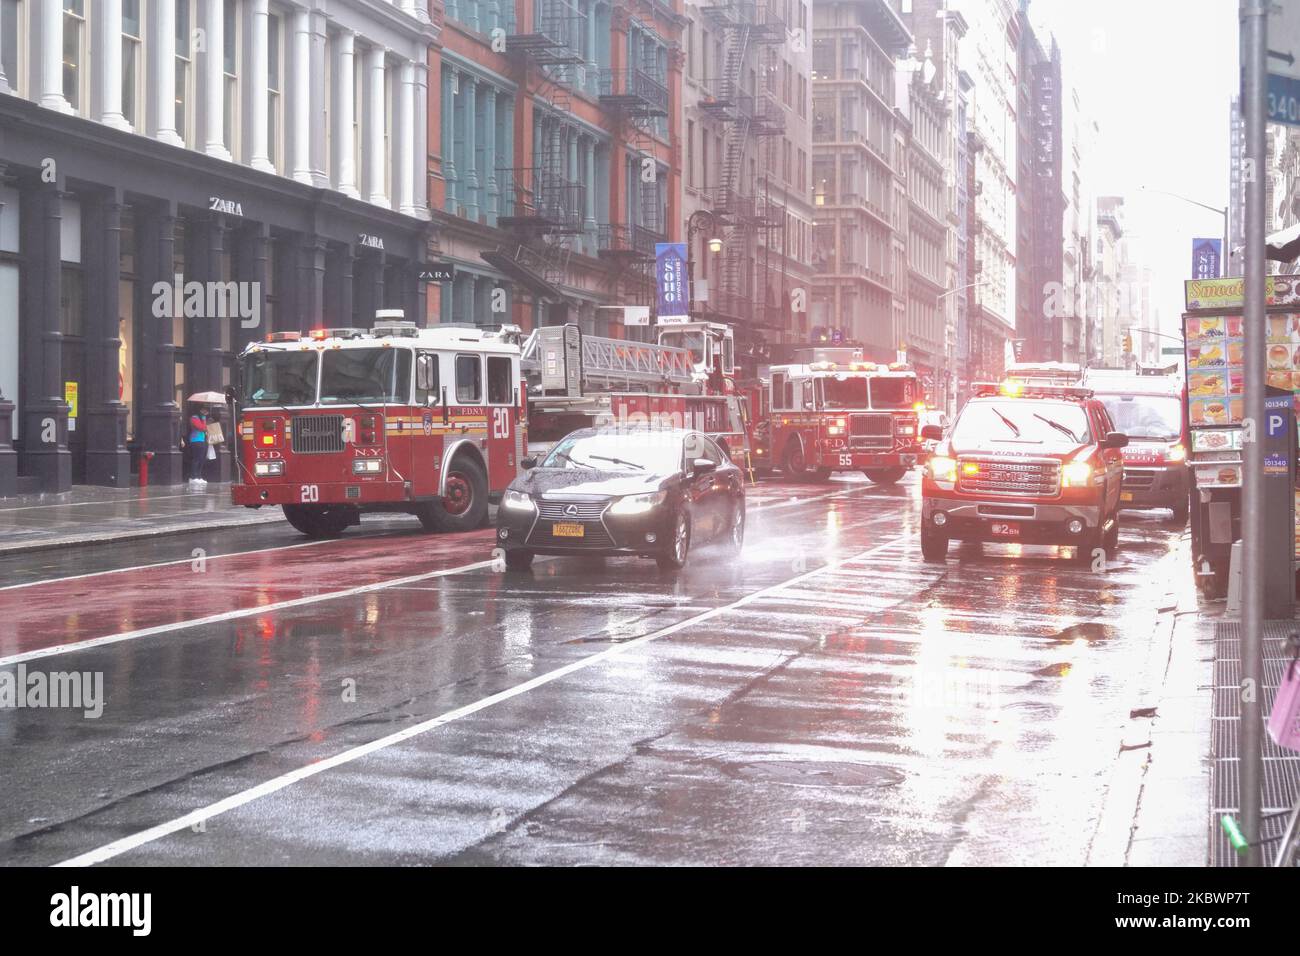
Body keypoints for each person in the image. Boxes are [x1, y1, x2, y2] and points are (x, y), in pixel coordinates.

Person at [187, 405, 209, 486]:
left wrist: (204, 419)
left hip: (202, 440)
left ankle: (199, 476)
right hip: (196, 440)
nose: (205, 412)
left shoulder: (202, 418)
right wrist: (203, 418)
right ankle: (193, 476)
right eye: (203, 410)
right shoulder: (194, 417)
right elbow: (201, 427)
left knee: (202, 459)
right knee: (196, 458)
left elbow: (205, 428)